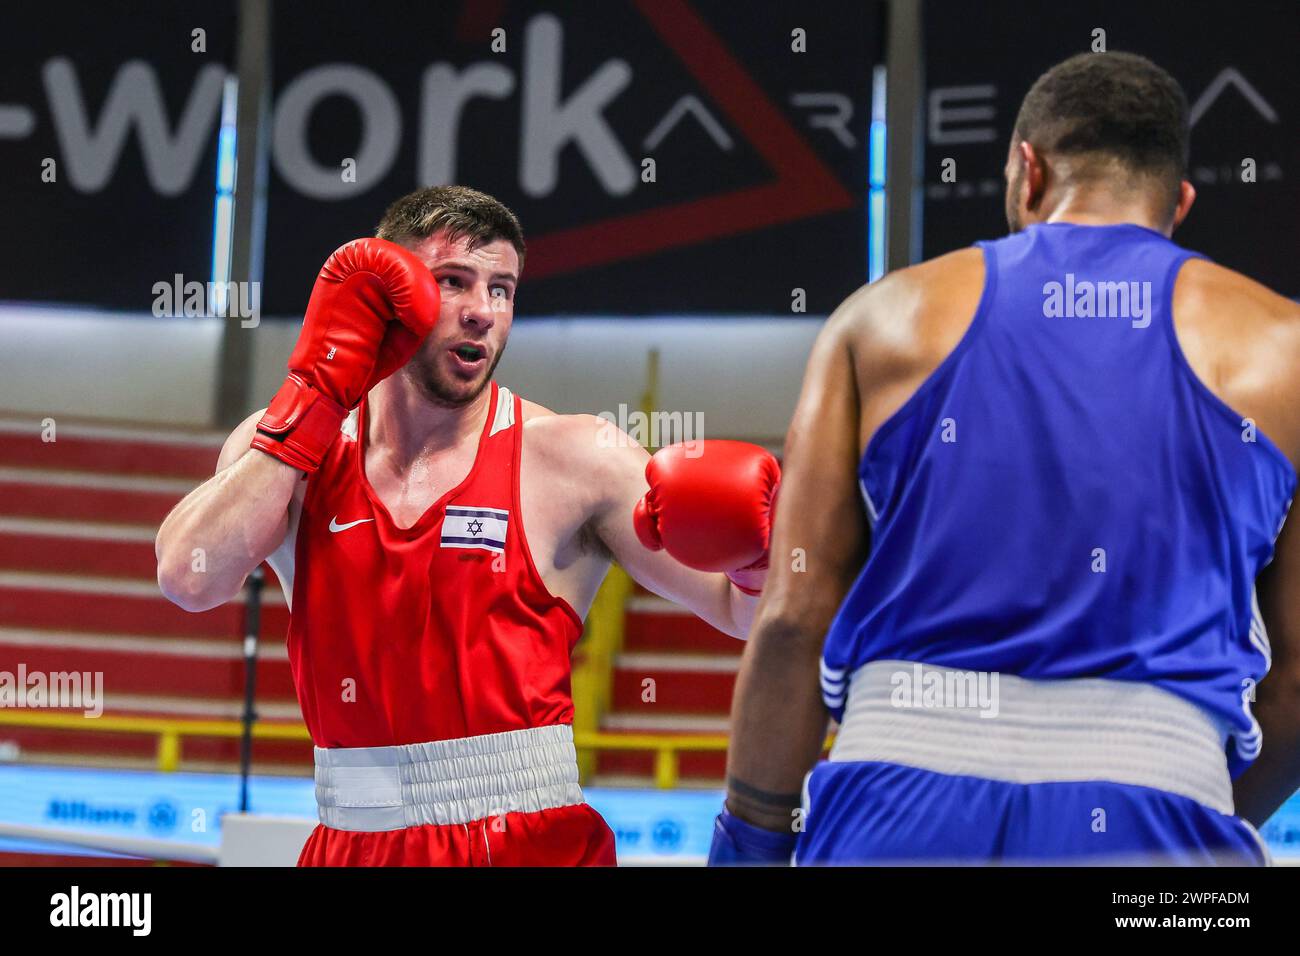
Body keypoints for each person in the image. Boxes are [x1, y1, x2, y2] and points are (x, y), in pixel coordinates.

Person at [715, 52, 1300, 865]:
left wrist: (748, 845)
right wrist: (1187, 796)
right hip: (1157, 813)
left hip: (895, 803)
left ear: (1029, 173)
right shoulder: (1283, 348)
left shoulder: (882, 318)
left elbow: (791, 621)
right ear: (1180, 205)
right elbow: (1298, 677)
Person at [155, 185, 778, 866]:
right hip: (349, 838)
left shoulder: (576, 456)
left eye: (503, 289)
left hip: (525, 840)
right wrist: (313, 396)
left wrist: (755, 562)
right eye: (453, 282)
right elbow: (189, 578)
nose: (483, 312)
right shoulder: (296, 451)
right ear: (384, 291)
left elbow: (741, 612)